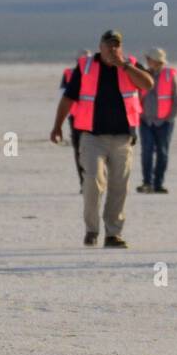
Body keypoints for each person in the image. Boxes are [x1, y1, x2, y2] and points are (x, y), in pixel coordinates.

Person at [50, 29, 154, 248]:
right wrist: (57, 125)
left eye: (116, 45)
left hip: (123, 138)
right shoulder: (86, 66)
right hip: (92, 137)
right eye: (108, 45)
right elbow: (68, 98)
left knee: (119, 186)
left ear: (121, 47)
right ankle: (91, 229)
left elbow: (147, 84)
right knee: (93, 182)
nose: (112, 49)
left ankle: (113, 234)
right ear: (100, 46)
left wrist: (124, 66)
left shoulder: (130, 65)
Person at [136, 47, 177, 194]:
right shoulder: (142, 75)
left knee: (162, 153)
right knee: (147, 152)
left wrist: (169, 118)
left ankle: (158, 184)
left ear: (156, 61)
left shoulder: (170, 76)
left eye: (149, 59)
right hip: (145, 121)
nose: (147, 61)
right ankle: (147, 183)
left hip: (164, 123)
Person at [62, 49, 91, 191]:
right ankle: (84, 183)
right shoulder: (68, 73)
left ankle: (94, 182)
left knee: (96, 151)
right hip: (76, 118)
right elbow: (64, 96)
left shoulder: (96, 73)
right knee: (79, 151)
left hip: (94, 118)